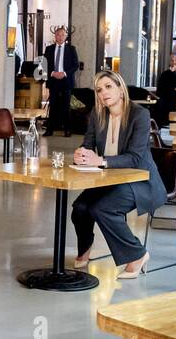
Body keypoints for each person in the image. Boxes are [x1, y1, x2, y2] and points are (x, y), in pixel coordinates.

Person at [70, 71, 168, 277]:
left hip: (139, 179)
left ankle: (137, 254)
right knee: (79, 208)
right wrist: (82, 154)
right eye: (99, 90)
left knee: (102, 209)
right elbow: (87, 144)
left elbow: (134, 157)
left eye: (108, 87)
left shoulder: (139, 114)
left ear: (120, 89)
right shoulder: (98, 115)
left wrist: (100, 161)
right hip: (110, 179)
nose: (103, 93)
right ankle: (85, 250)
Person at [42, 26, 79, 137]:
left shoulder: (71, 49)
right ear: (55, 36)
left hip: (66, 80)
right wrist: (53, 73)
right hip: (53, 80)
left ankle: (67, 129)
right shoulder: (49, 49)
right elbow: (44, 65)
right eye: (58, 35)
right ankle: (50, 130)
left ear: (66, 36)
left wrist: (64, 73)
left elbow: (75, 65)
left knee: (66, 105)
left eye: (63, 35)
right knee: (52, 105)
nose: (60, 37)